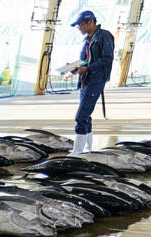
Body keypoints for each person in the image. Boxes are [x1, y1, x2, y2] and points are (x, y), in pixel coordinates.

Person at [67, 10, 114, 155]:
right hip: (86, 80)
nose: (79, 28)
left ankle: (77, 151)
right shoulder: (89, 38)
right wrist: (76, 67)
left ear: (91, 22)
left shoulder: (104, 36)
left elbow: (107, 59)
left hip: (96, 79)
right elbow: (86, 58)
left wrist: (87, 68)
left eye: (81, 25)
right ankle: (86, 150)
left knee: (80, 117)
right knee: (85, 116)